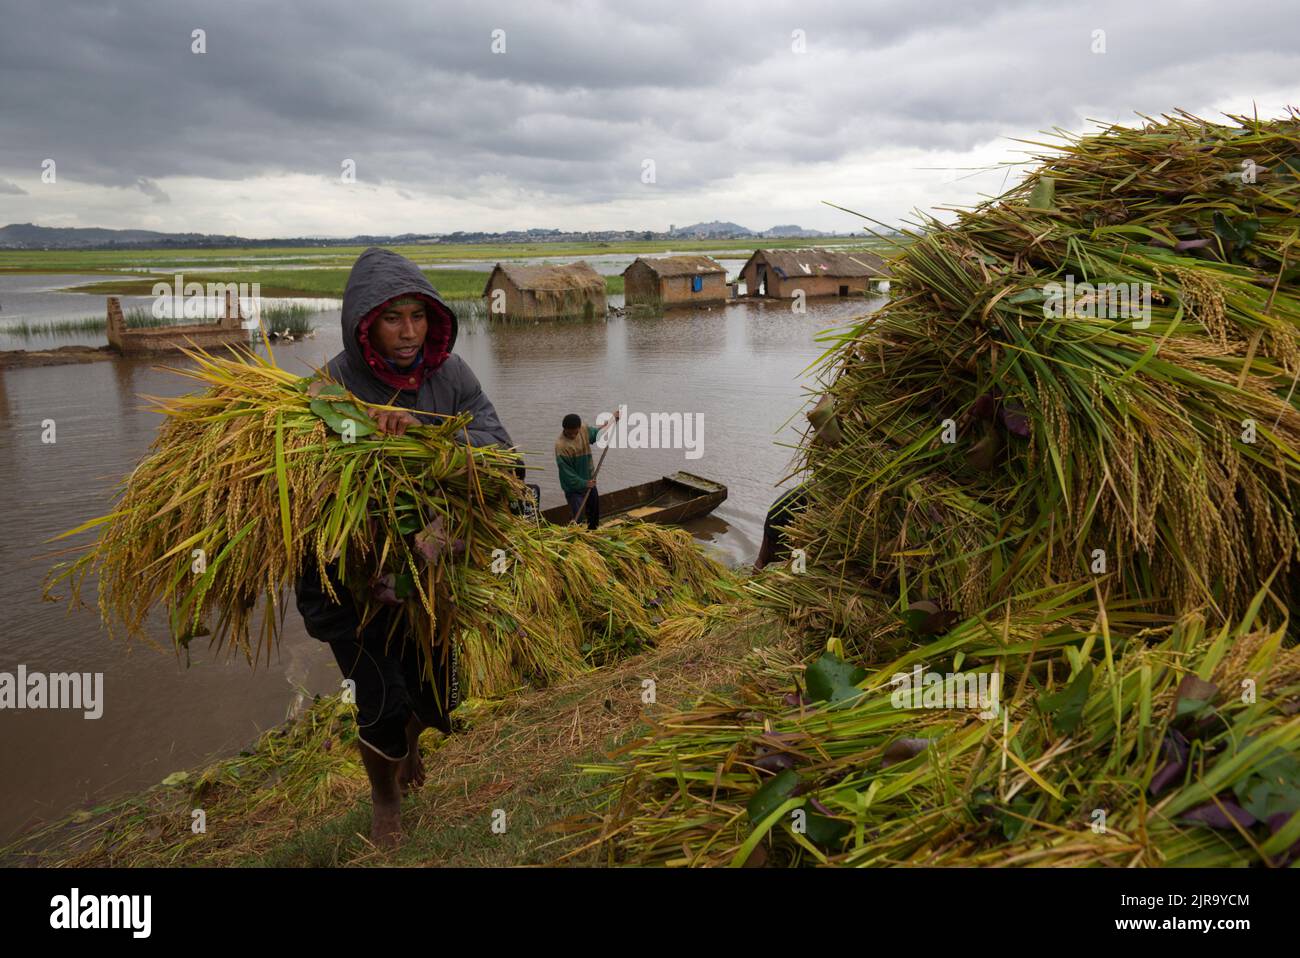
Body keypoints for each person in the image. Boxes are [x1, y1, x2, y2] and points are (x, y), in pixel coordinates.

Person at [294, 247, 512, 849]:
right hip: (353, 582)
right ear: (366, 323)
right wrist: (371, 558)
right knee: (381, 697)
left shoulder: (452, 376)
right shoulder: (330, 388)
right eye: (394, 318)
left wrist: (428, 434)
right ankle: (384, 797)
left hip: (431, 568)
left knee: (435, 694)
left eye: (418, 316)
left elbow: (500, 452)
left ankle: (413, 746)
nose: (409, 332)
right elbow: (305, 498)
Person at [555, 409, 619, 529]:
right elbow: (567, 474)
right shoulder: (561, 446)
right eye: (570, 433)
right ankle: (577, 536)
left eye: (575, 432)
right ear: (564, 430)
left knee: (594, 511)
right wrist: (584, 483)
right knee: (578, 516)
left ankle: (593, 532)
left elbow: (596, 434)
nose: (573, 436)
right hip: (573, 487)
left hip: (589, 479)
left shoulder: (583, 430)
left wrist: (612, 420)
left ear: (579, 428)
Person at [754, 484, 809, 571]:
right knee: (798, 552)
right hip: (782, 517)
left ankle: (751, 579)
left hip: (776, 512)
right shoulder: (822, 491)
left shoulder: (817, 488)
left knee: (763, 558)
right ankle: (796, 575)